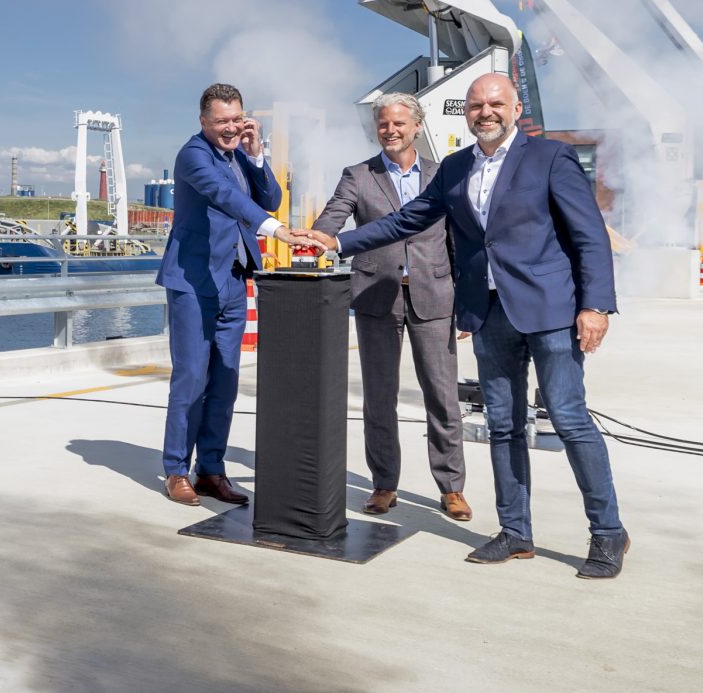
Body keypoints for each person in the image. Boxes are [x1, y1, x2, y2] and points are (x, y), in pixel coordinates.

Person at [289, 72, 629, 579]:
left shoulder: (549, 157)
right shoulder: (454, 168)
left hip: (551, 311)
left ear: (516, 109)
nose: (485, 113)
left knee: (568, 418)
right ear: (464, 114)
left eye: (495, 104)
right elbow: (406, 220)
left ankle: (607, 533)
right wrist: (335, 242)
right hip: (488, 313)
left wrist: (595, 306)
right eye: (475, 106)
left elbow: (588, 235)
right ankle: (515, 532)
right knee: (503, 425)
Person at [313, 93, 471, 523]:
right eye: (384, 124)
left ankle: (452, 487)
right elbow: (332, 221)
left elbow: (459, 241)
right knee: (379, 399)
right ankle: (384, 483)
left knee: (442, 397)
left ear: (417, 126)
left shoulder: (444, 175)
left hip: (435, 298)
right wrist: (313, 240)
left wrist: (469, 304)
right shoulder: (358, 176)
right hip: (376, 297)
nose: (391, 131)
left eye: (400, 123)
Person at [156, 83, 284, 507]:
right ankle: (176, 470)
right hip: (194, 281)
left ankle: (211, 468)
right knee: (192, 377)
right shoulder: (194, 155)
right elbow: (224, 196)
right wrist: (273, 229)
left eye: (236, 119)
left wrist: (256, 152)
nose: (230, 128)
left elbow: (270, 197)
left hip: (233, 279)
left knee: (225, 380)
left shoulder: (238, 156)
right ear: (203, 122)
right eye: (222, 122)